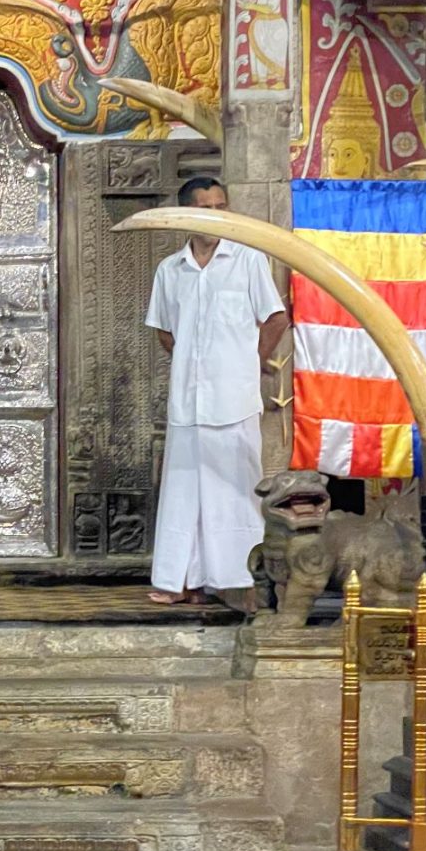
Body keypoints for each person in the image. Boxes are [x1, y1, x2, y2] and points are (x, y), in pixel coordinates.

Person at [146, 177, 288, 606]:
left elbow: (276, 318)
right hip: (187, 402)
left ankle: (238, 580)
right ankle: (181, 580)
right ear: (186, 215)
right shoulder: (171, 269)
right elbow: (165, 331)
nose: (216, 215)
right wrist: (193, 361)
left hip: (235, 399)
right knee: (183, 492)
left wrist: (248, 360)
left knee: (237, 490)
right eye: (206, 208)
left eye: (221, 206)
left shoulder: (247, 258)